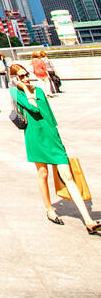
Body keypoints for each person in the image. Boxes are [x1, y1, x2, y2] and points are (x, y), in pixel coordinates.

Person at [9, 65, 100, 235]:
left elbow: (50, 116)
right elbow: (34, 109)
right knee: (43, 174)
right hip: (35, 137)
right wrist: (25, 90)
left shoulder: (40, 91)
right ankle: (49, 209)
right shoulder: (15, 92)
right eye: (21, 77)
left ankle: (88, 220)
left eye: (27, 75)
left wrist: (59, 140)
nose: (26, 78)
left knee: (68, 176)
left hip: (51, 136)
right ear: (15, 79)